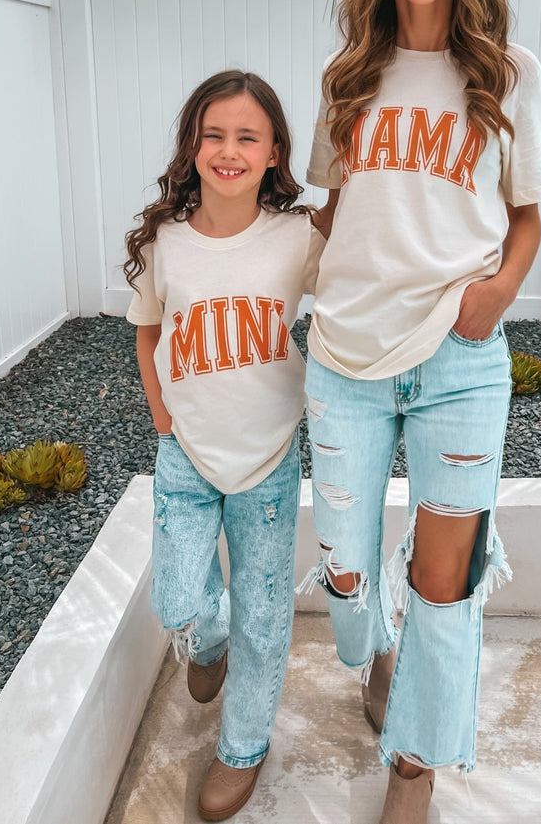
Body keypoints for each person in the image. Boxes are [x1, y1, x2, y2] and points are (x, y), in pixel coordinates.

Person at [299, 0, 541, 823]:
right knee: (347, 570)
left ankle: (414, 763)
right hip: (346, 356)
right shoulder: (346, 77)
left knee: (445, 580)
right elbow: (332, 216)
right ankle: (376, 654)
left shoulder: (506, 73)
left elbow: (525, 216)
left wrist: (497, 293)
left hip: (459, 356)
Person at [124, 71, 325, 822]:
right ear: (192, 145)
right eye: (214, 135)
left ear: (274, 152)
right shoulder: (164, 241)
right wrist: (162, 419)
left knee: (264, 616)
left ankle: (242, 747)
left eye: (247, 136)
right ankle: (209, 643)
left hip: (268, 455)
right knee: (178, 599)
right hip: (186, 451)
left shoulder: (299, 237)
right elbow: (148, 332)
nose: (229, 150)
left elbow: (355, 291)